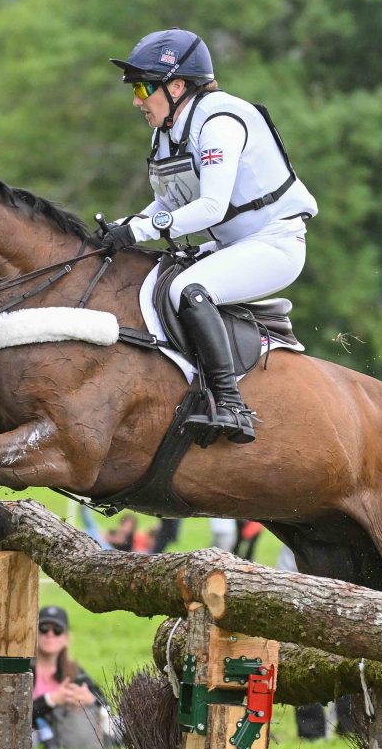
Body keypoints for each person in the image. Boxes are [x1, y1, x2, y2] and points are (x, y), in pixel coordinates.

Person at [100, 28, 318, 445]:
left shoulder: (219, 122)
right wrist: (121, 227)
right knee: (150, 279)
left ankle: (231, 404)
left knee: (188, 287)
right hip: (232, 244)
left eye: (145, 87)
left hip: (275, 243)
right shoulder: (166, 130)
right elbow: (165, 206)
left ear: (178, 85)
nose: (137, 100)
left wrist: (139, 230)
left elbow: (211, 208)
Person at [32, 605, 118, 749]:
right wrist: (50, 700)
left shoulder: (74, 672)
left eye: (57, 630)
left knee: (120, 723)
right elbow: (17, 711)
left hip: (69, 730)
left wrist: (90, 700)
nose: (50, 635)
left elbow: (104, 704)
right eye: (44, 628)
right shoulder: (25, 669)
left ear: (66, 638)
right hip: (36, 732)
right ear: (34, 633)